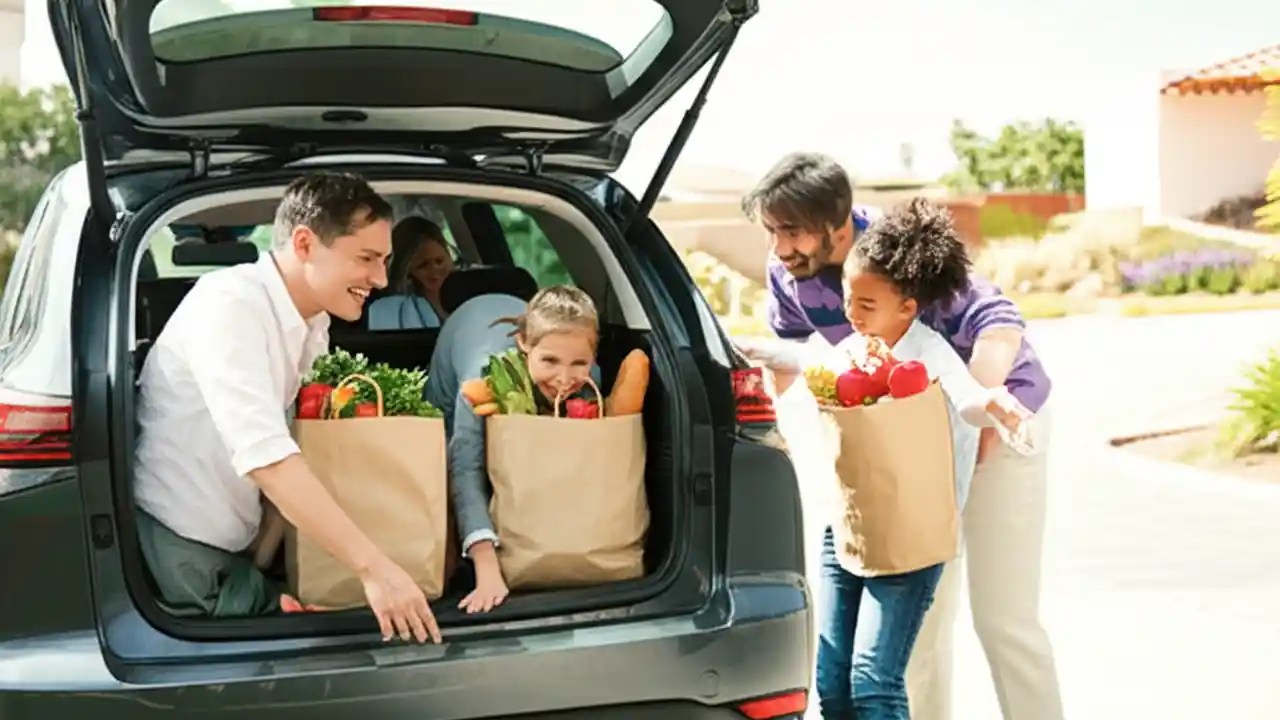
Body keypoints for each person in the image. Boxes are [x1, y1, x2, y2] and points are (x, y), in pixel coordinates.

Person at [741, 152, 1063, 720]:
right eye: (771, 231)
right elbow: (795, 357)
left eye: (790, 231)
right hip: (904, 452)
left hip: (997, 425)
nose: (779, 248)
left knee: (1003, 620)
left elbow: (997, 322)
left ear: (838, 225)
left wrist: (979, 413)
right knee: (919, 633)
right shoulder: (789, 273)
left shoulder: (900, 254)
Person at [132, 171, 442, 644]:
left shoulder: (312, 319)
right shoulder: (230, 306)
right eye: (366, 258)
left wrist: (268, 559)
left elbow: (295, 441)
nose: (381, 279)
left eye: (385, 261)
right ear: (304, 244)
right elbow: (267, 458)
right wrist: (375, 570)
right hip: (187, 558)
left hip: (237, 547)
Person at [424, 286, 602, 615]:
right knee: (443, 463)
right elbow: (465, 468)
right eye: (549, 361)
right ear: (523, 342)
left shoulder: (590, 382)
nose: (564, 378)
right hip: (459, 353)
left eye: (579, 363)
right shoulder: (481, 377)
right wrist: (487, 571)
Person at [366, 216, 456, 330]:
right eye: (423, 265)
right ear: (407, 272)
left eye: (439, 261)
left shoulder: (470, 298)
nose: (434, 269)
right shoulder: (390, 312)